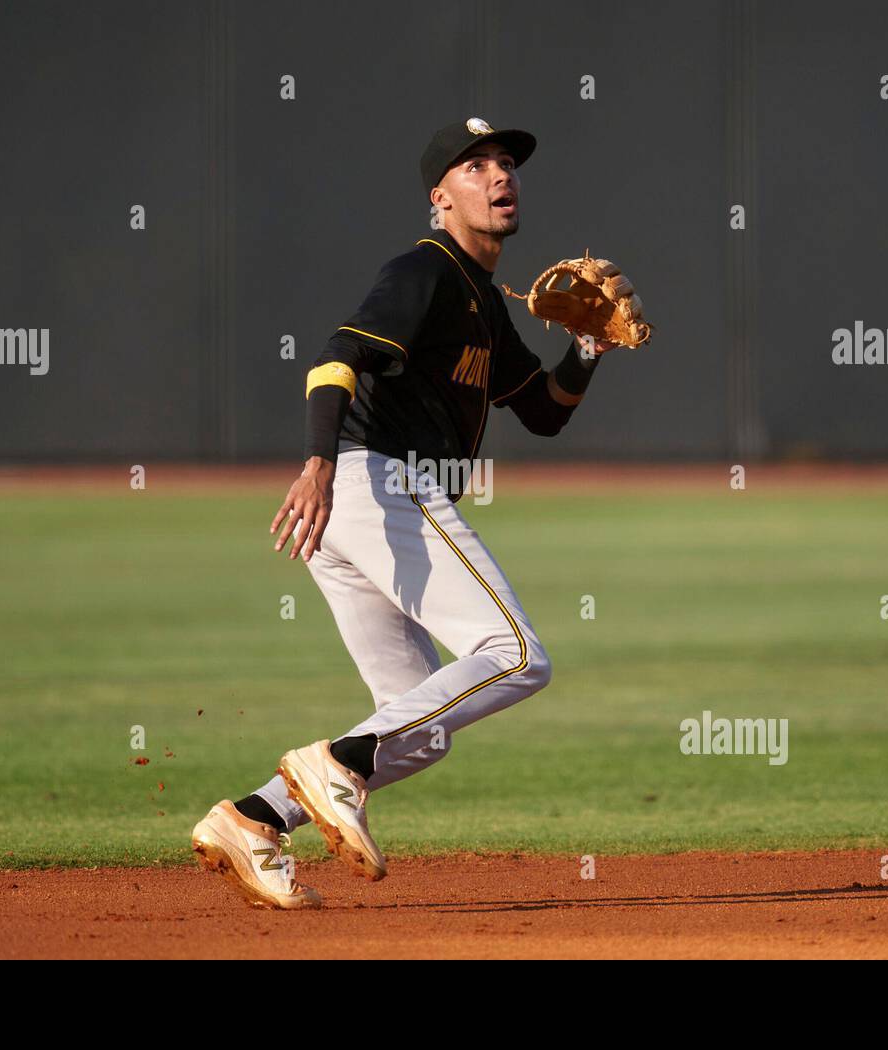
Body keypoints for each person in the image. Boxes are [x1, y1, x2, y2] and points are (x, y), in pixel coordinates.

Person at [191, 117, 618, 909]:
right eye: (476, 166)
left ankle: (251, 819)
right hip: (375, 484)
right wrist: (317, 464)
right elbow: (335, 355)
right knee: (518, 654)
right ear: (440, 197)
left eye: (506, 164)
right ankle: (339, 763)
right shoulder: (425, 271)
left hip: (359, 514)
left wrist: (589, 347)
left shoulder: (484, 303)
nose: (500, 176)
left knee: (419, 728)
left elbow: (544, 409)